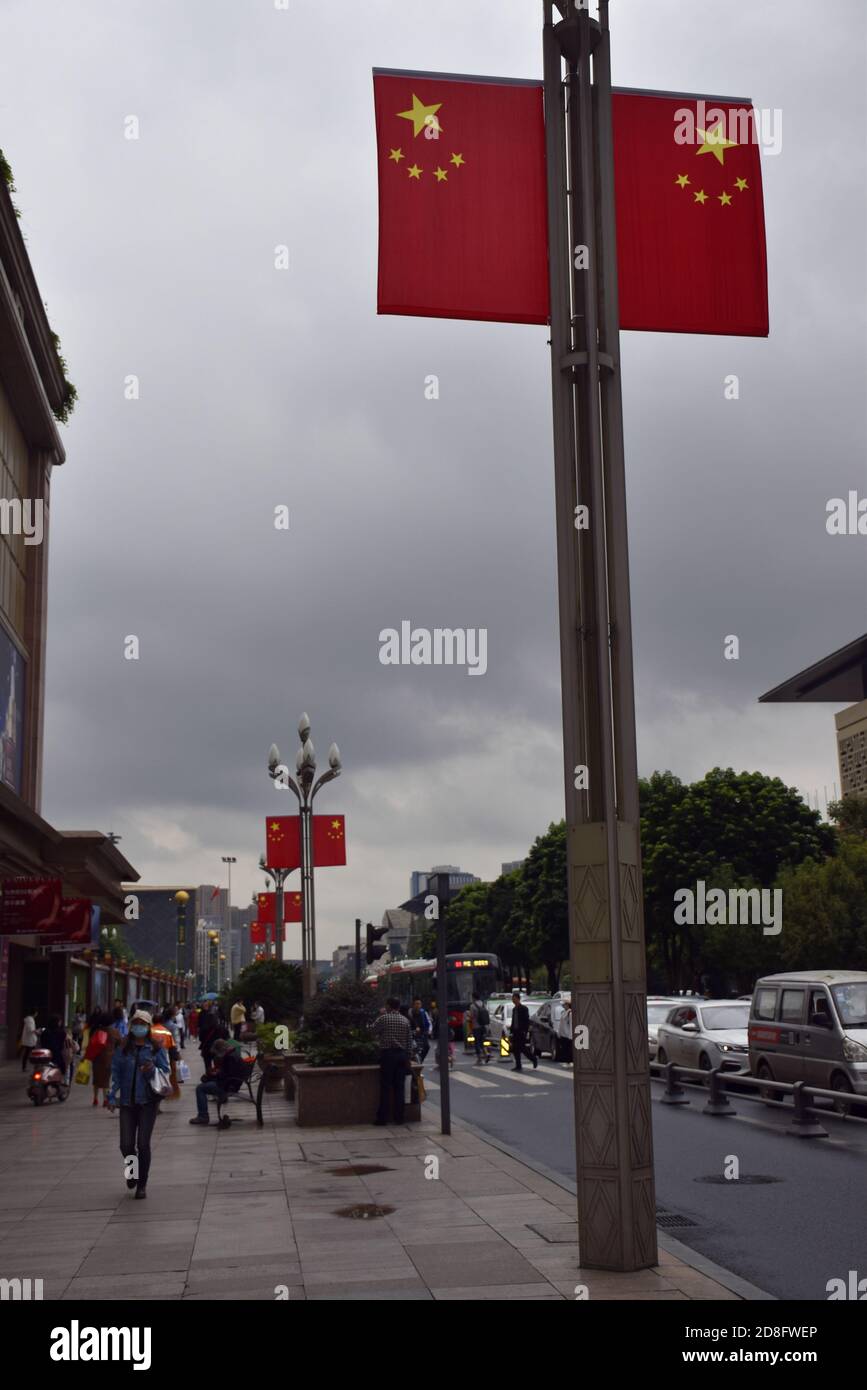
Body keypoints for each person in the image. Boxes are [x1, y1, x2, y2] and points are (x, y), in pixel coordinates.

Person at [108, 1010, 170, 1199]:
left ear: (148, 1026)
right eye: (136, 1023)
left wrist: (152, 1070)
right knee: (126, 1145)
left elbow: (165, 1070)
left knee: (143, 1144)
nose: (139, 1027)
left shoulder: (155, 1048)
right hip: (127, 1102)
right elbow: (116, 1071)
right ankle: (132, 1172)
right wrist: (111, 1096)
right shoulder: (124, 1047)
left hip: (148, 1103)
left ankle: (141, 1184)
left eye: (142, 1024)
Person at [371, 997, 414, 1125]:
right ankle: (399, 1117)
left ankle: (382, 1118)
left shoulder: (383, 1018)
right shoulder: (405, 1020)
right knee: (399, 1087)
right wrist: (408, 1057)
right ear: (399, 1007)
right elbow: (409, 1042)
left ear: (389, 1006)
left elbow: (372, 1030)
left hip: (388, 1055)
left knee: (385, 1087)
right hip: (401, 1056)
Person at [189, 1038, 249, 1125]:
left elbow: (226, 1076)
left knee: (200, 1088)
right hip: (232, 1083)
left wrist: (214, 1075)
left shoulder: (229, 1057)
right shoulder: (233, 1054)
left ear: (221, 1049)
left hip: (228, 1086)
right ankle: (203, 1114)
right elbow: (228, 1072)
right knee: (205, 1083)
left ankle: (203, 1116)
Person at [86, 1010, 113, 1106]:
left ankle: (95, 1098)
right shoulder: (113, 1032)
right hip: (108, 1059)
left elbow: (90, 1045)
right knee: (106, 1079)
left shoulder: (96, 1031)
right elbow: (120, 1044)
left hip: (97, 1058)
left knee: (96, 1079)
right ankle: (105, 1099)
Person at [509, 992, 539, 1072]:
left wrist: (525, 1031)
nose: (513, 1000)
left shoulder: (524, 1009)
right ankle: (518, 1065)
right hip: (515, 1031)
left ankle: (533, 1059)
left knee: (522, 1048)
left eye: (514, 998)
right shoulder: (514, 1009)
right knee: (515, 1049)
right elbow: (513, 1021)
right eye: (512, 998)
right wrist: (511, 1030)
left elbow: (526, 1020)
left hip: (521, 1032)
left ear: (518, 999)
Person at [429, 999, 454, 1069]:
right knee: (442, 1049)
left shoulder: (439, 1014)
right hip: (447, 1034)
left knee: (440, 1050)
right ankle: (442, 1063)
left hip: (442, 1034)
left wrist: (433, 1032)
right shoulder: (445, 1013)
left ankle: (449, 1059)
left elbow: (436, 1025)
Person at [469, 993, 491, 1065]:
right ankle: (486, 1053)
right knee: (482, 1041)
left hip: (476, 1026)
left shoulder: (472, 1006)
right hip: (483, 1026)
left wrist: (468, 1018)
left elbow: (472, 1016)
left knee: (477, 1043)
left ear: (473, 998)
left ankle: (479, 1058)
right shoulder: (483, 1004)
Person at [409, 997, 432, 1066]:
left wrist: (429, 1031)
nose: (418, 1005)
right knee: (412, 1049)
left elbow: (429, 1022)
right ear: (413, 1005)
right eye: (416, 1004)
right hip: (412, 1035)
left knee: (427, 1046)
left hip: (422, 1034)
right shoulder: (409, 1013)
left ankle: (420, 1061)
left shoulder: (423, 1012)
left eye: (419, 1004)